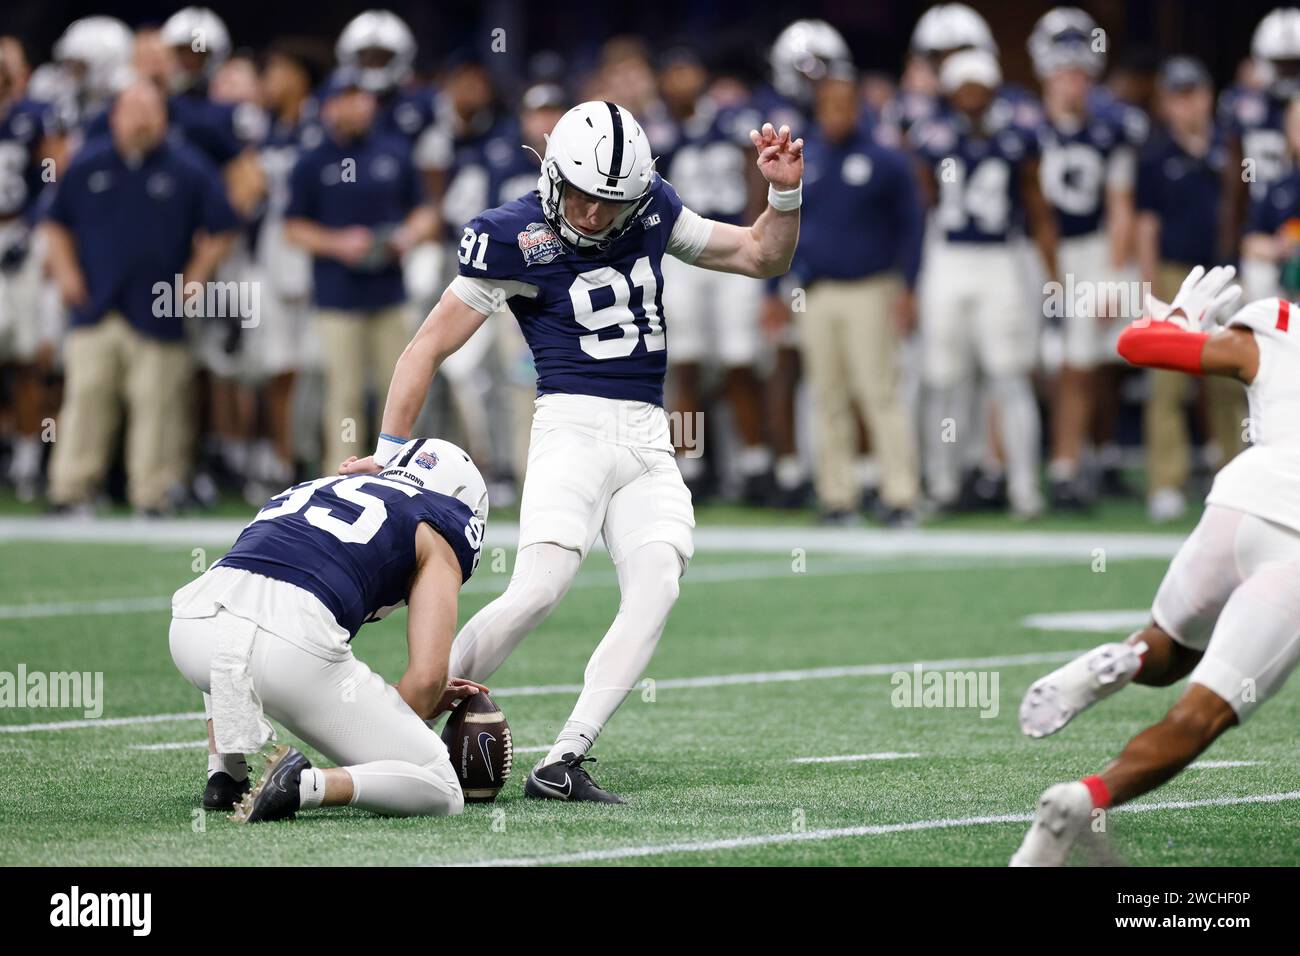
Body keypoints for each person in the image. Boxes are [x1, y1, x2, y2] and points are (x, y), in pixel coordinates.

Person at [340, 101, 803, 802]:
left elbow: (761, 254)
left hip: (649, 436)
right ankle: (390, 726)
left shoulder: (651, 209)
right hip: (571, 429)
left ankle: (563, 760)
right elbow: (427, 345)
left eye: (609, 200)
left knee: (658, 588)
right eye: (582, 194)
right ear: (553, 172)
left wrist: (784, 194)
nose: (592, 213)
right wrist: (388, 449)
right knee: (538, 591)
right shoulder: (508, 235)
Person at [1013, 265, 1300, 864]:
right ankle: (1083, 796)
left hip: (1239, 501)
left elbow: (1136, 345)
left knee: (1170, 650)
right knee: (1199, 718)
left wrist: (1178, 320)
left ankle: (1127, 658)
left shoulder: (1280, 325)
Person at [169, 437, 489, 823]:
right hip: (286, 649)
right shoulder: (437, 525)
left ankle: (225, 771)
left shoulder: (313, 487)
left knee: (236, 607)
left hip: (192, 628)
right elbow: (424, 681)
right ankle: (303, 784)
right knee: (441, 786)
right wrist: (418, 703)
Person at [42, 80, 238, 514]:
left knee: (159, 406)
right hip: (96, 306)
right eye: (133, 110)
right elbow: (56, 223)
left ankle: (155, 493)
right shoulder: (87, 163)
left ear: (164, 118)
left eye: (151, 110)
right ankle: (70, 491)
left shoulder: (189, 167)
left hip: (159, 310)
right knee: (86, 398)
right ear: (114, 116)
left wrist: (195, 277)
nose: (142, 119)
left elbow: (222, 228)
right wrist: (66, 272)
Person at [912, 49, 1058, 519]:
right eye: (964, 86)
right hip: (949, 255)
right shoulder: (931, 135)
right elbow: (923, 207)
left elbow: (1038, 209)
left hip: (1000, 258)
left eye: (980, 86)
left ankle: (1023, 487)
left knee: (1009, 375)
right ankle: (944, 482)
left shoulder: (1019, 136)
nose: (972, 95)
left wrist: (1051, 273)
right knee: (943, 378)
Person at [284, 67, 436, 472]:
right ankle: (343, 474)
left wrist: (408, 235)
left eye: (362, 96)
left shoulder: (394, 151)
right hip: (338, 294)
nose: (356, 105)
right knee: (345, 392)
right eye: (346, 97)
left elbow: (424, 212)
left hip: (389, 292)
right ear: (330, 105)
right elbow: (293, 227)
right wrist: (338, 244)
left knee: (401, 388)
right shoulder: (313, 161)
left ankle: (405, 473)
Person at [792, 66, 923, 525]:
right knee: (826, 395)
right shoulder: (805, 158)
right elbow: (782, 220)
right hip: (818, 289)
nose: (835, 115)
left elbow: (912, 225)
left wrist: (909, 285)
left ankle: (900, 495)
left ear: (860, 109)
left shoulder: (886, 161)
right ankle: (837, 496)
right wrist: (776, 287)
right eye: (827, 106)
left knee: (880, 392)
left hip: (873, 287)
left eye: (844, 105)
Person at [1029, 7, 1147, 511]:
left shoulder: (1110, 129)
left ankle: (1072, 465)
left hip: (1089, 250)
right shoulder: (1026, 128)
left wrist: (1114, 270)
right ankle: (1005, 469)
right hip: (1033, 253)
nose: (1072, 82)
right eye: (1064, 71)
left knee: (1087, 363)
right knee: (1034, 366)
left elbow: (1121, 206)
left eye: (1080, 72)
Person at [1137, 56, 1242, 522]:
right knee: (1168, 383)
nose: (1189, 104)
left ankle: (1236, 474)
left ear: (1208, 95)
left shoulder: (1230, 146)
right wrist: (1146, 281)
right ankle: (1166, 481)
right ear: (1165, 103)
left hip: (1225, 275)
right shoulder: (1155, 154)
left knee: (1230, 381)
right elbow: (1146, 223)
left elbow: (1244, 205)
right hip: (1175, 274)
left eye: (1195, 93)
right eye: (1178, 96)